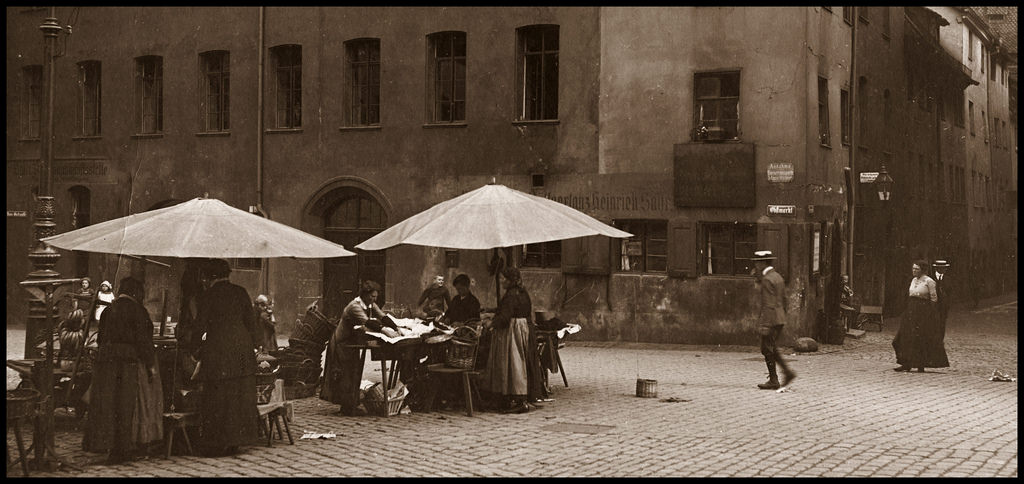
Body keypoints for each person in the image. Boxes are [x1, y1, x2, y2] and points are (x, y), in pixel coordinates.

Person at [82, 277, 163, 464]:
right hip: (127, 362)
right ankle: (124, 449)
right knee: (126, 406)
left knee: (108, 405)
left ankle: (108, 446)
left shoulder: (109, 310)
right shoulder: (139, 311)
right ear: (137, 293)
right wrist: (151, 365)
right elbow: (144, 342)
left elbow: (101, 338)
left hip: (106, 361)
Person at [190, 259, 260, 457]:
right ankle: (237, 440)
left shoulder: (208, 296)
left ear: (210, 277)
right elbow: (251, 324)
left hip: (218, 351)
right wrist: (255, 345)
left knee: (218, 397)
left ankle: (217, 442)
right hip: (242, 352)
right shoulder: (241, 292)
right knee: (239, 396)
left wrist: (194, 346)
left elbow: (200, 325)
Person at [483, 266, 545, 413]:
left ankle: (518, 399)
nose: (501, 281)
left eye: (503, 278)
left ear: (510, 280)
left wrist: (490, 323)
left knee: (514, 364)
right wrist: (494, 310)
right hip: (523, 329)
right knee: (520, 363)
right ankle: (518, 397)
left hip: (513, 332)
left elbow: (505, 317)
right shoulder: (522, 292)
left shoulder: (511, 295)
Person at [321, 280, 386, 416]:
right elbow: (368, 322)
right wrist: (385, 330)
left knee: (354, 373)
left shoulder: (370, 304)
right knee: (344, 375)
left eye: (375, 297)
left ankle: (351, 404)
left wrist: (396, 327)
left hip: (351, 343)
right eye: (372, 296)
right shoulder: (354, 306)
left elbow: (382, 316)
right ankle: (346, 407)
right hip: (341, 344)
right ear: (365, 295)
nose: (374, 299)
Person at [892, 260, 949, 372]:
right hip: (911, 310)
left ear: (922, 270)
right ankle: (905, 362)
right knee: (904, 336)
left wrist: (930, 315)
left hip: (923, 311)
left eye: (917, 269)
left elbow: (934, 298)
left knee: (920, 337)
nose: (914, 271)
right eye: (913, 268)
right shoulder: (913, 280)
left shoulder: (929, 281)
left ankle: (920, 364)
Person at [751, 250, 796, 390]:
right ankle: (785, 374)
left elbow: (768, 304)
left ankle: (775, 379)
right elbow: (784, 299)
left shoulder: (767, 280)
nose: (756, 265)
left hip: (770, 318)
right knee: (770, 348)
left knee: (766, 348)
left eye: (758, 263)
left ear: (764, 263)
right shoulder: (777, 277)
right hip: (779, 317)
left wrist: (765, 324)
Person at [932, 259, 951, 338]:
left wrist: (947, 305)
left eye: (944, 268)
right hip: (933, 306)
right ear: (936, 269)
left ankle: (940, 342)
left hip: (943, 307)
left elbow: (950, 293)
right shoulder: (931, 278)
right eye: (941, 268)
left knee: (942, 325)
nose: (943, 270)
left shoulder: (948, 279)